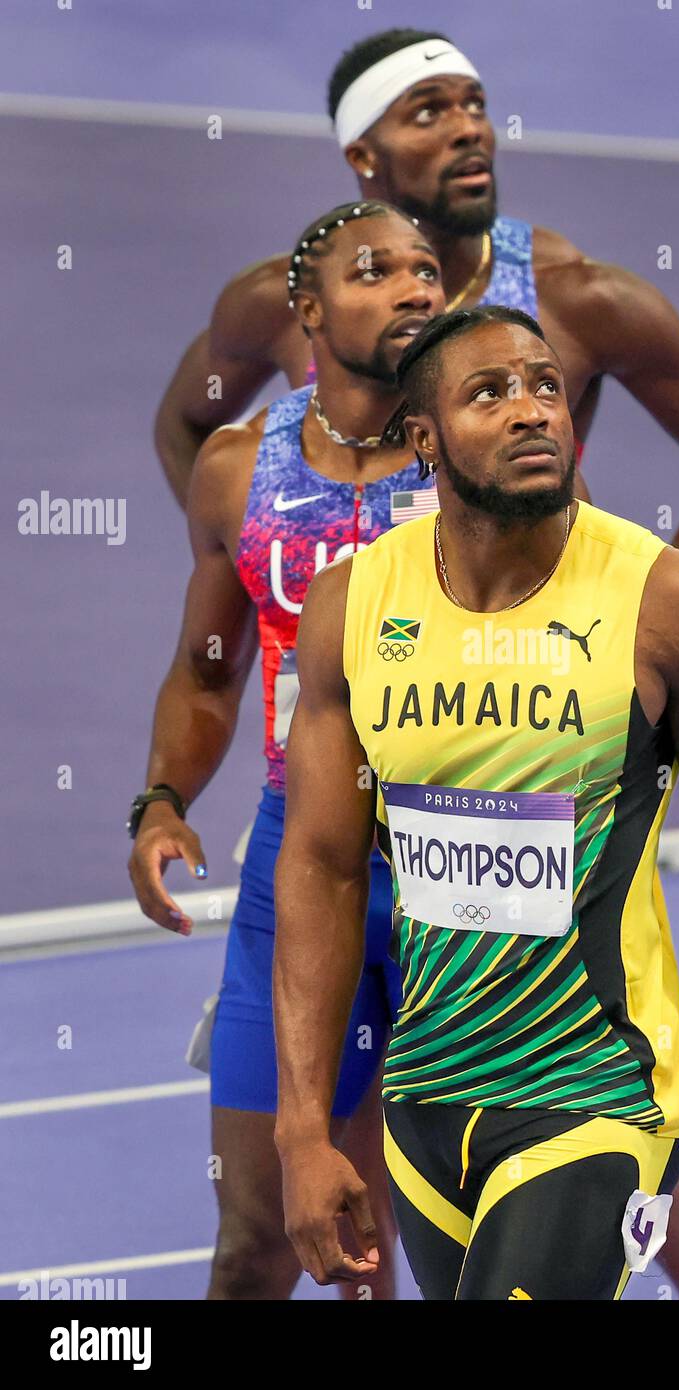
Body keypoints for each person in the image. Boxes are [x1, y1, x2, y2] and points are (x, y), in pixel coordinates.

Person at [272, 306, 679, 1300]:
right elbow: (318, 864)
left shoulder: (672, 602)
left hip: (599, 1092)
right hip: (427, 1094)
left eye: (544, 386)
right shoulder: (351, 607)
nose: (532, 410)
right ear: (423, 438)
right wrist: (301, 1128)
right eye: (489, 393)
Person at [154, 27, 679, 577]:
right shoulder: (282, 300)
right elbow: (184, 424)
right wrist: (250, 558)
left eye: (475, 105)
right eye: (429, 112)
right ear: (363, 154)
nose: (469, 129)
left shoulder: (576, 299)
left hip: (510, 682)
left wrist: (638, 616)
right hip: (335, 680)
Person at [127, 200, 446, 1299]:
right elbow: (210, 666)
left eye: (425, 270)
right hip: (297, 863)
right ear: (306, 310)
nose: (414, 287)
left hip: (467, 868)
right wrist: (163, 798)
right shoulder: (236, 468)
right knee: (259, 1236)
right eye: (376, 271)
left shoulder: (494, 463)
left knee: (427, 1233)